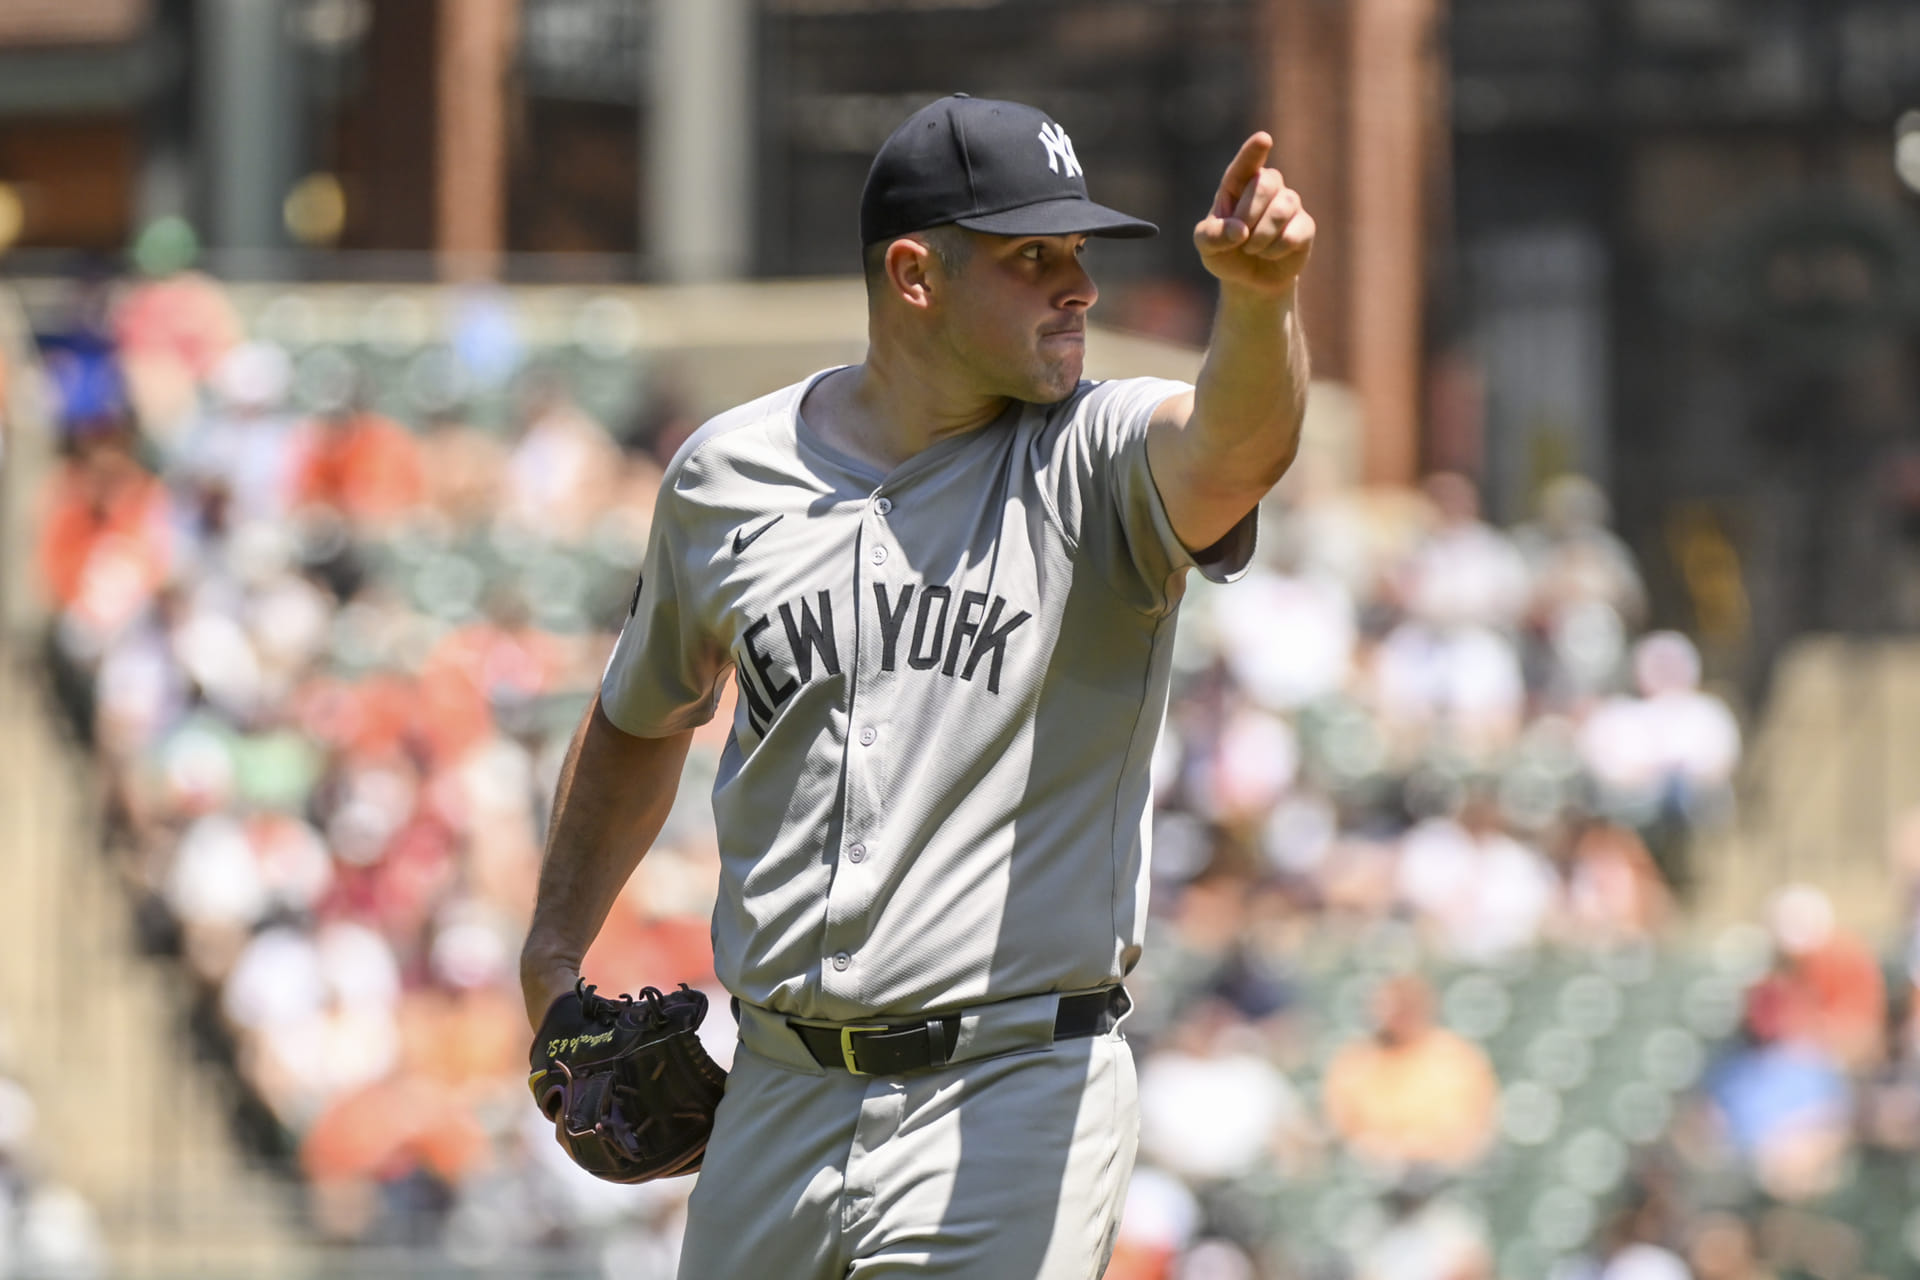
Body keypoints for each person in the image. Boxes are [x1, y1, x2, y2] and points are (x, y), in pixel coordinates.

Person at [520, 94, 1312, 1279]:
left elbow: (1238, 445)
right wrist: (551, 947)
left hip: (1009, 1090)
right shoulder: (728, 474)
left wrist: (1259, 302)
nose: (1078, 287)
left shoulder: (1092, 453)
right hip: (774, 1095)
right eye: (1032, 256)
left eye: (1080, 254)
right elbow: (642, 717)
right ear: (915, 275)